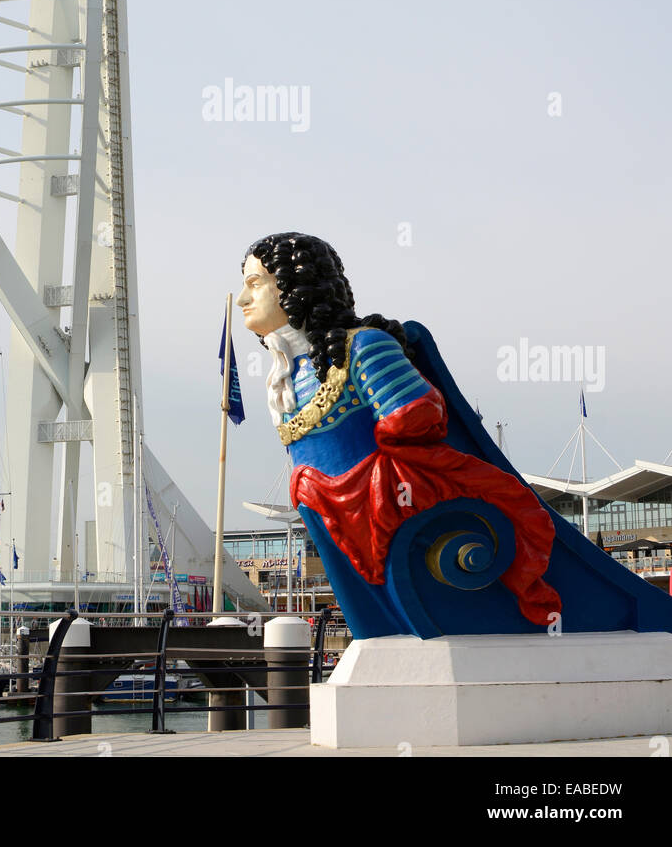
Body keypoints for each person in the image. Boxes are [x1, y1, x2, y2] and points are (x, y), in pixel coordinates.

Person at [236, 231, 561, 639]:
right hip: (326, 508)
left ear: (294, 284)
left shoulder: (363, 347)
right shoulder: (291, 374)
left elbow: (418, 413)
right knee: (363, 610)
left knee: (389, 600)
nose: (243, 299)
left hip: (378, 499)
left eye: (255, 283)